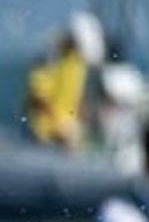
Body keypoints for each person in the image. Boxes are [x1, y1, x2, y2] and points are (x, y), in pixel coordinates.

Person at [24, 12, 103, 149]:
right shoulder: (49, 58)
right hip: (44, 135)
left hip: (66, 133)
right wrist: (59, 128)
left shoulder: (77, 61)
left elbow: (72, 95)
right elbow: (37, 99)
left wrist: (79, 115)